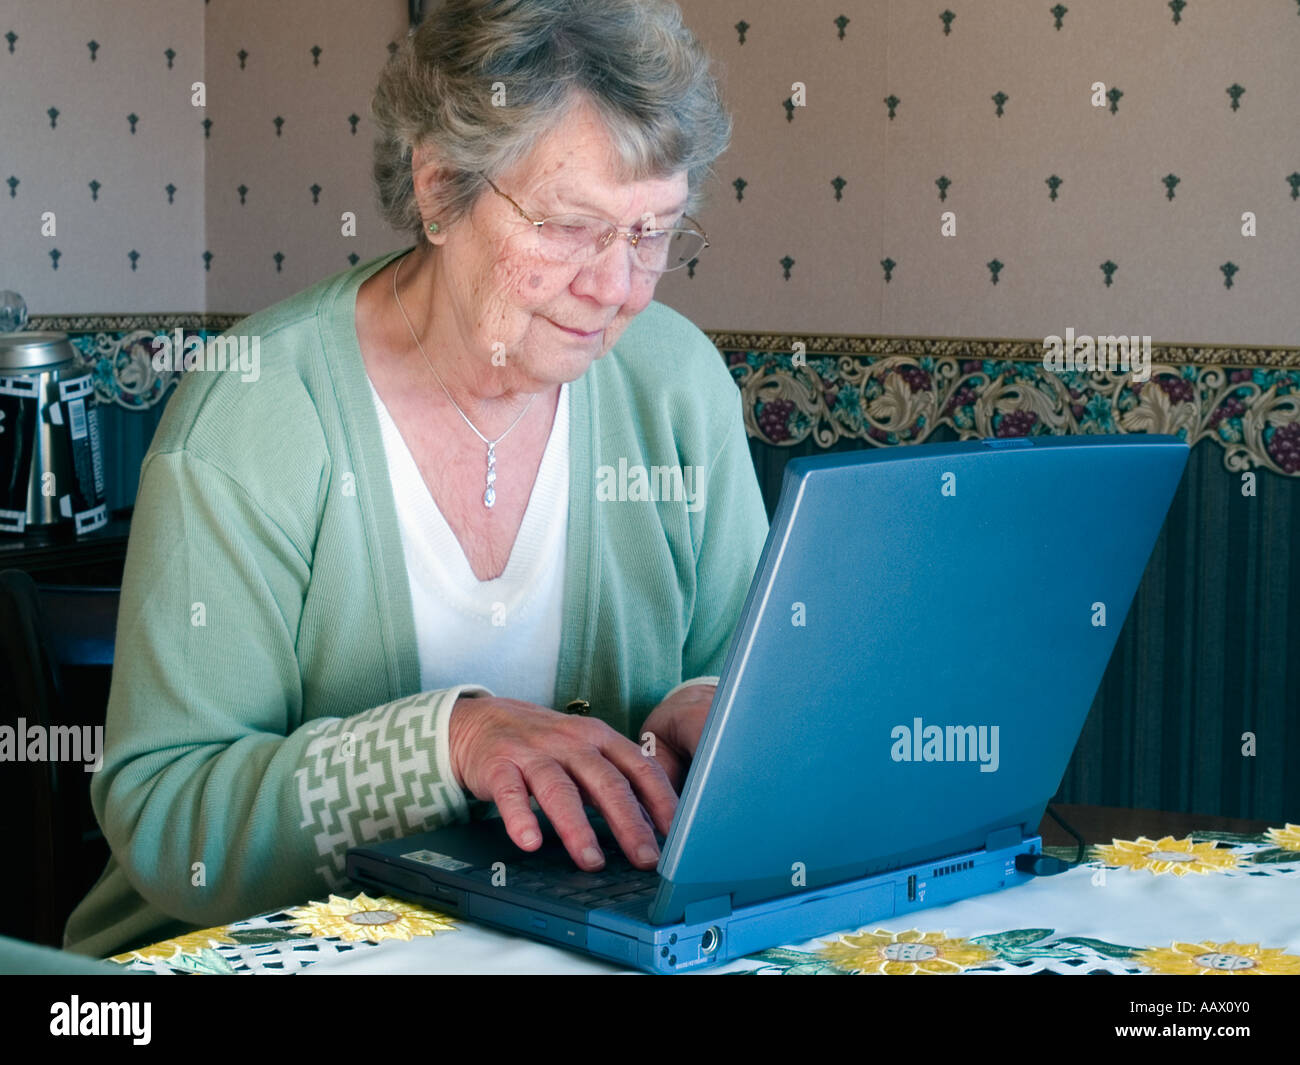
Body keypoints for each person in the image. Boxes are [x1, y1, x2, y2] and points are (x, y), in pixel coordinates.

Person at [64, 0, 767, 959]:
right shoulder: (262, 411)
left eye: (652, 232)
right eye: (570, 226)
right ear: (440, 191)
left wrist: (712, 713)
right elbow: (168, 816)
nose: (620, 288)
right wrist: (449, 744)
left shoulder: (676, 383)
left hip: (554, 946)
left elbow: (735, 671)